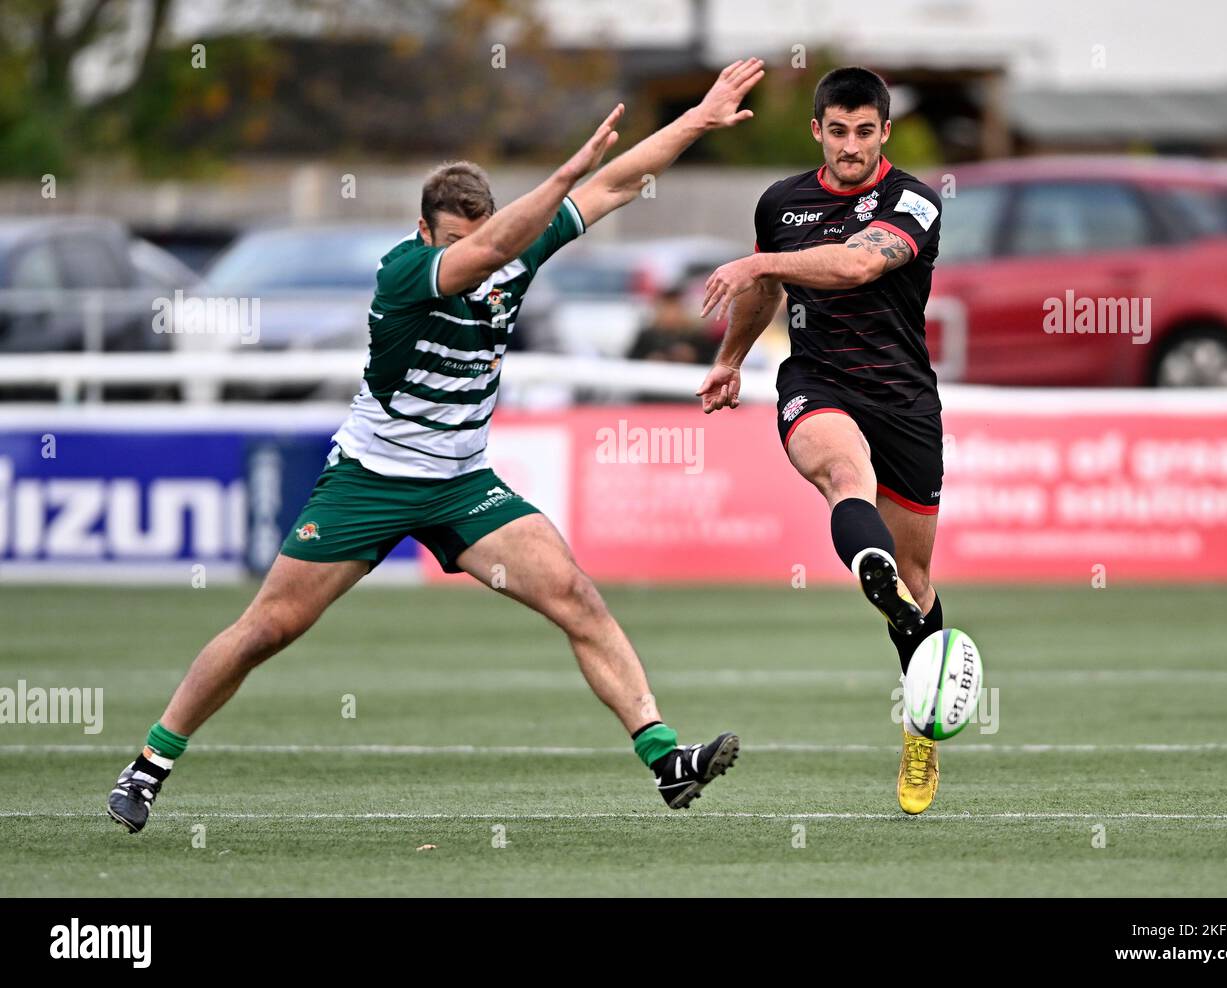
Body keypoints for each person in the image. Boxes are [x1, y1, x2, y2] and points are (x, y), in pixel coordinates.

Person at [107, 58, 767, 834]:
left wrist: (698, 116)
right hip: (373, 479)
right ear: (425, 232)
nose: (469, 247)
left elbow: (620, 182)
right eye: (452, 235)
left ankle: (665, 760)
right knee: (268, 629)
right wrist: (561, 179)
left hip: (461, 485)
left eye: (477, 231)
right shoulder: (405, 271)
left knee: (577, 598)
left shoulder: (507, 245)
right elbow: (483, 259)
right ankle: (150, 762)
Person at [695, 66, 948, 815]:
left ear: (884, 133)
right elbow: (769, 293)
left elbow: (860, 263)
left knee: (920, 580)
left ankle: (920, 732)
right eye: (836, 131)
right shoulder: (781, 203)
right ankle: (868, 562)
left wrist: (757, 260)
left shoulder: (914, 201)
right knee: (843, 473)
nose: (849, 146)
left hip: (904, 401)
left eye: (863, 132)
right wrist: (731, 359)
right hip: (818, 383)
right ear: (817, 131)